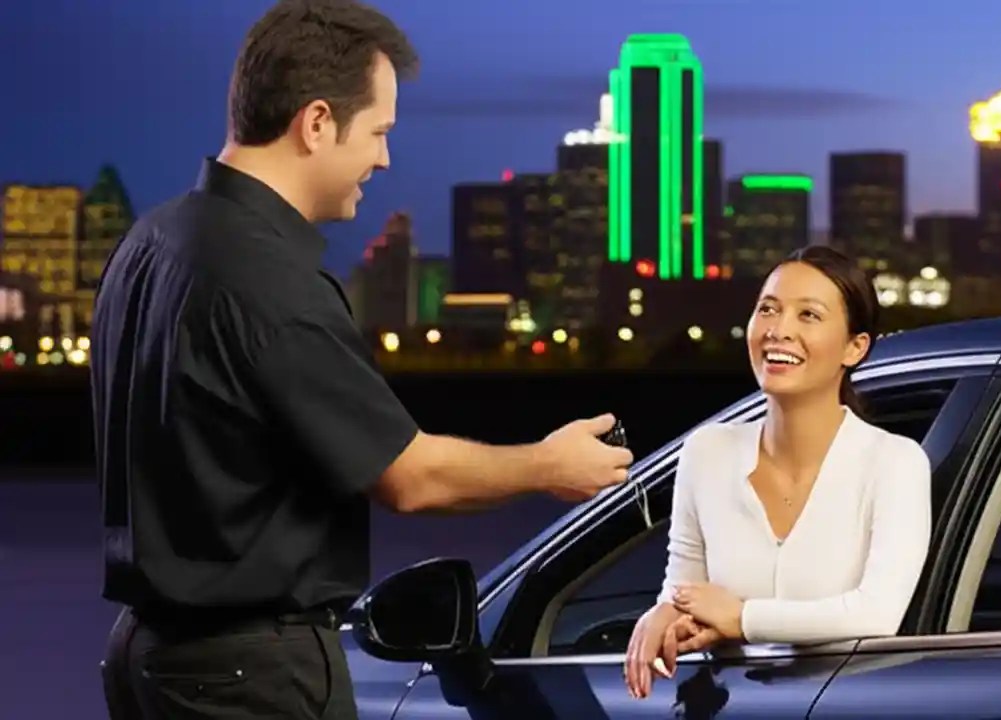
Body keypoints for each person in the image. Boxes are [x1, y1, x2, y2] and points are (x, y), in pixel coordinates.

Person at [92, 2, 632, 718]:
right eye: (378, 132)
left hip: (146, 655)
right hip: (249, 673)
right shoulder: (266, 276)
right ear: (317, 123)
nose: (383, 157)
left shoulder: (149, 244)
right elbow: (410, 478)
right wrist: (548, 465)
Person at [624, 246, 932, 699]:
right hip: (735, 704)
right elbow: (686, 592)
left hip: (845, 705)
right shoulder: (707, 452)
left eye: (809, 315)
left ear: (855, 346)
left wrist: (742, 619)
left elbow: (877, 613)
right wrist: (664, 616)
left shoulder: (894, 463)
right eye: (768, 309)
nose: (778, 330)